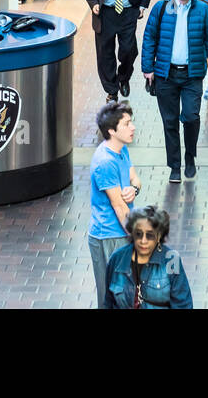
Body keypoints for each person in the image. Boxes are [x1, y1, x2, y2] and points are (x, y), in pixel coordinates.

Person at [140, 0, 208, 182]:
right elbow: (149, 37)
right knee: (170, 122)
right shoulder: (161, 9)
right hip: (165, 75)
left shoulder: (202, 10)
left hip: (192, 75)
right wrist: (148, 67)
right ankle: (175, 165)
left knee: (191, 117)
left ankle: (190, 156)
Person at [84, 0, 153, 102]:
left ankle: (123, 77)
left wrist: (142, 6)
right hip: (105, 14)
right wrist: (93, 4)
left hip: (128, 13)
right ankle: (112, 90)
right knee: (105, 53)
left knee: (129, 51)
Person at [88, 102, 141, 307]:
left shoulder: (121, 149)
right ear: (111, 130)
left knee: (126, 293)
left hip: (121, 231)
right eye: (127, 124)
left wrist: (133, 189)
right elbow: (119, 207)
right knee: (112, 296)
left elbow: (135, 179)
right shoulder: (105, 162)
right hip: (109, 235)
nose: (133, 127)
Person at [103, 206, 194, 309]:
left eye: (149, 235)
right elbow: (108, 302)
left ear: (159, 236)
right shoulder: (117, 259)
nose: (143, 241)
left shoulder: (171, 260)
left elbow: (183, 305)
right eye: (138, 234)